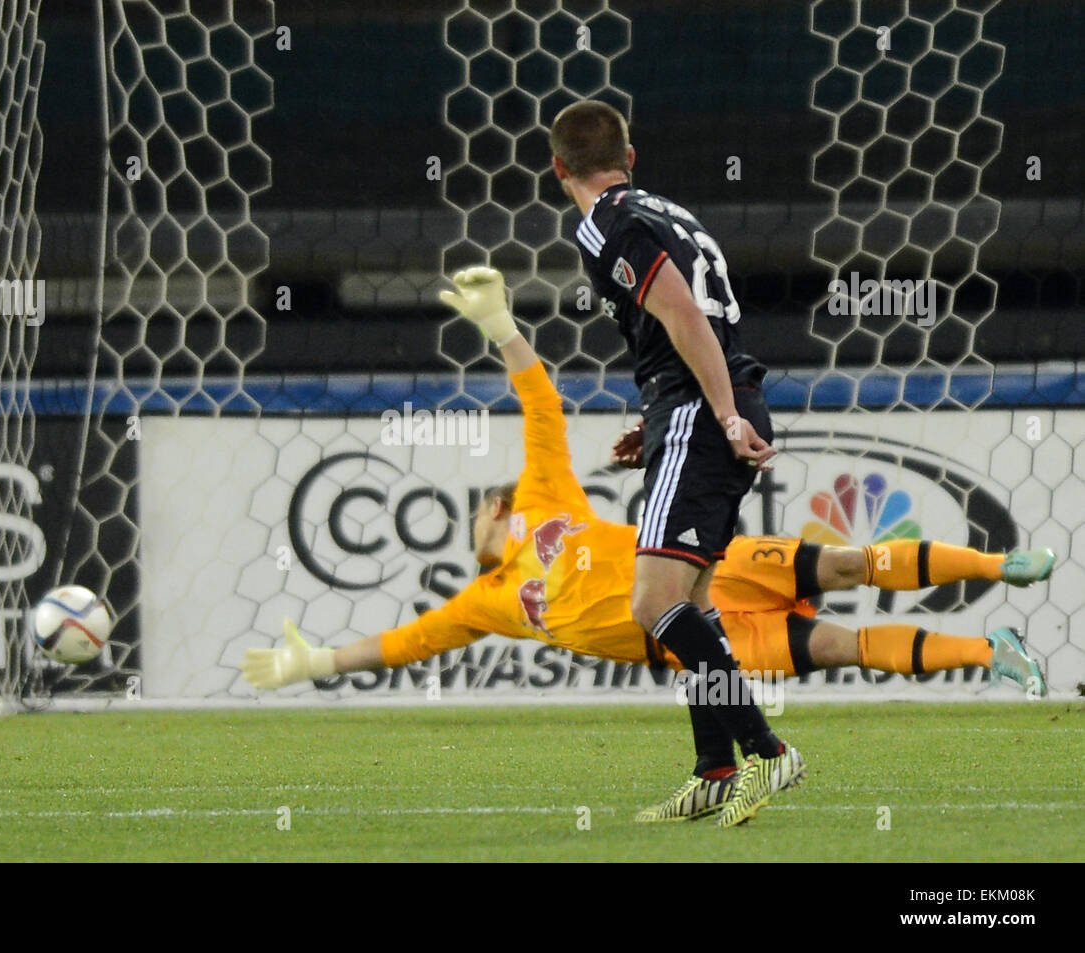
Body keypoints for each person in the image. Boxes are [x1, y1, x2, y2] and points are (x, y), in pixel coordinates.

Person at [241, 267, 1051, 825]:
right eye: (480, 520)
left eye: (486, 511)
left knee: (844, 562)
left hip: (705, 568)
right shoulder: (483, 605)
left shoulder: (545, 499)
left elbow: (542, 406)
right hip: (697, 644)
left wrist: (499, 325)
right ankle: (991, 649)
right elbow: (398, 644)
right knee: (843, 644)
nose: (483, 518)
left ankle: (995, 564)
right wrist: (311, 664)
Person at [547, 99, 788, 824]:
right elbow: (688, 319)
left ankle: (769, 754)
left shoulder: (606, 223)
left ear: (559, 169)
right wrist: (666, 418)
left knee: (653, 604)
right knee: (697, 603)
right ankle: (715, 768)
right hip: (701, 403)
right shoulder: (668, 210)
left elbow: (683, 312)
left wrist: (717, 414)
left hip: (703, 408)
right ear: (631, 155)